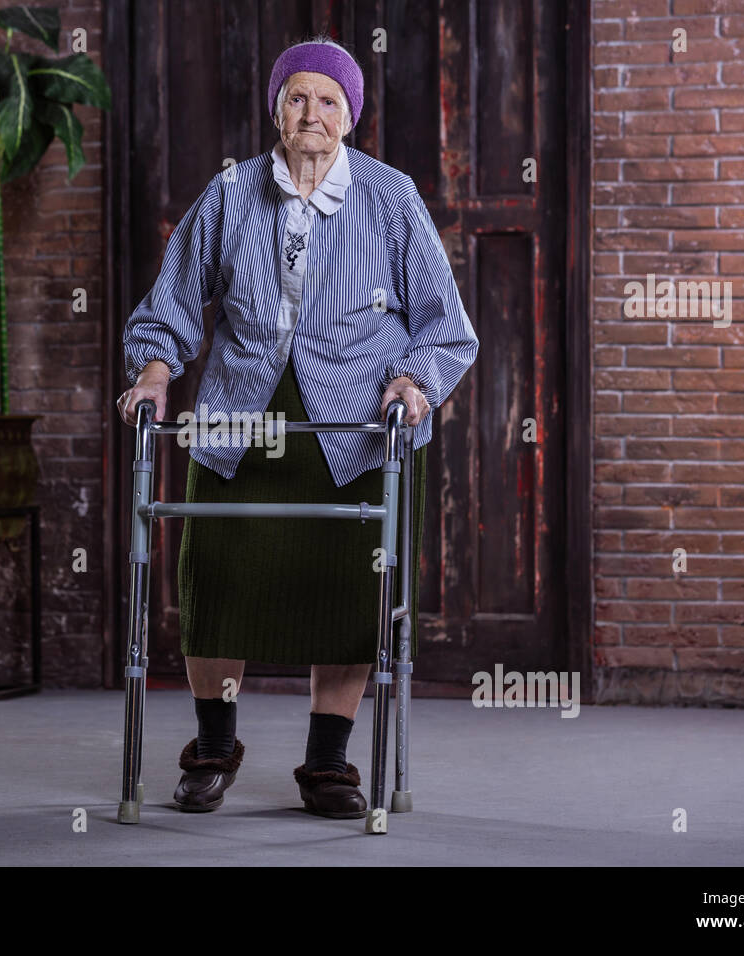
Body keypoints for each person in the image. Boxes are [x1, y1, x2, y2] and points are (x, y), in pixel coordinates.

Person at [116, 36, 478, 818]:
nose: (311, 113)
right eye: (297, 97)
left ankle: (327, 764)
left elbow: (446, 327)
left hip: (352, 424)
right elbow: (175, 300)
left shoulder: (390, 196)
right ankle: (213, 748)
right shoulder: (232, 193)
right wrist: (153, 371)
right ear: (276, 108)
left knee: (347, 590)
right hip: (239, 415)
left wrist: (413, 384)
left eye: (329, 100)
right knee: (214, 582)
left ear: (350, 116)